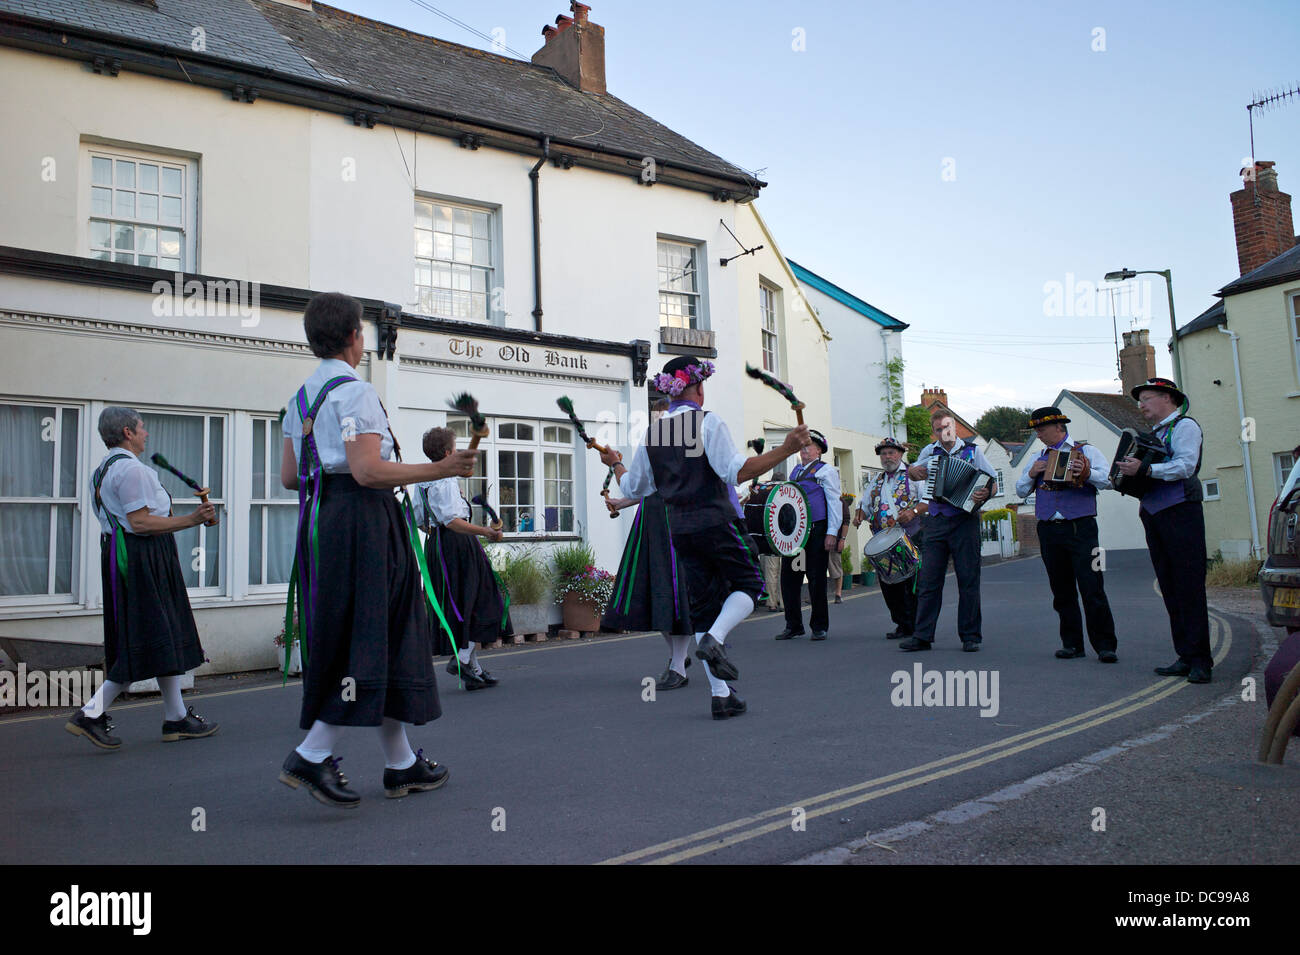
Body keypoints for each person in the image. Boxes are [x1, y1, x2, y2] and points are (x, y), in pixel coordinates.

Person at [277, 292, 477, 808]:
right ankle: (312, 752)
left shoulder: (300, 398)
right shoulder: (356, 393)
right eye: (361, 331)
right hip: (364, 521)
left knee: (373, 634)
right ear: (353, 337)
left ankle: (401, 763)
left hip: (321, 520)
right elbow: (367, 471)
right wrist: (441, 469)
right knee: (370, 633)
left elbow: (288, 478)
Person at [600, 356, 809, 719]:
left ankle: (721, 695)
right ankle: (717, 639)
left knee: (703, 609)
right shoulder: (707, 422)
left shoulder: (655, 434)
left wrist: (615, 463)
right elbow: (738, 472)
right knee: (751, 584)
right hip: (716, 521)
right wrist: (787, 449)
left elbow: (633, 485)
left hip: (679, 529)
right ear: (698, 386)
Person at [65, 408, 221, 750]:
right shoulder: (132, 471)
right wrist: (193, 519)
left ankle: (176, 717)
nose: (146, 434)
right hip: (141, 555)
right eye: (142, 428)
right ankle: (91, 713)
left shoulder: (103, 470)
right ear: (127, 432)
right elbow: (141, 523)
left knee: (161, 634)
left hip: (123, 554)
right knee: (144, 635)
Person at [1116, 378, 1212, 683]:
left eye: (1147, 398)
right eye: (1140, 400)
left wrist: (1145, 470)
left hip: (1181, 511)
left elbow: (1185, 466)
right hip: (1154, 514)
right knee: (1169, 586)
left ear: (1168, 399)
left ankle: (1201, 661)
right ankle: (1184, 654)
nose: (1142, 405)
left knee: (1189, 586)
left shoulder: (1185, 426)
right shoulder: (1153, 435)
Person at [601, 398, 695, 691]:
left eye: (662, 417)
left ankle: (679, 665)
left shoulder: (682, 445)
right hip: (652, 523)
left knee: (674, 593)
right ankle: (678, 659)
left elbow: (639, 483)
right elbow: (645, 488)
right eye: (655, 418)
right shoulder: (664, 443)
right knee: (654, 593)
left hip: (673, 523)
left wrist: (616, 463)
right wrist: (622, 502)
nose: (658, 423)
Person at [1015, 406, 1118, 662]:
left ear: (1059, 427)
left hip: (1082, 529)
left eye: (1042, 429)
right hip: (1049, 529)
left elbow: (1108, 480)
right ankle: (1072, 644)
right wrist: (1032, 473)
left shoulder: (1087, 451)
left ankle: (1105, 645)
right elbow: (1020, 491)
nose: (1038, 434)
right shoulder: (1037, 457)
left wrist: (1085, 472)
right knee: (1061, 590)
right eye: (1036, 430)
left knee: (1093, 587)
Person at [412, 427, 510, 692]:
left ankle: (473, 669)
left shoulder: (422, 480)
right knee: (481, 599)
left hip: (436, 547)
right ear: (447, 453)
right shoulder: (444, 480)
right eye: (455, 448)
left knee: (460, 604)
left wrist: (439, 534)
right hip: (457, 546)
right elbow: (453, 522)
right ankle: (463, 658)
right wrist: (486, 531)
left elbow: (420, 521)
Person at [899, 410, 995, 652]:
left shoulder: (973, 452)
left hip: (965, 521)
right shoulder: (929, 451)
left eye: (947, 427)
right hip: (936, 521)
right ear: (935, 432)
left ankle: (971, 636)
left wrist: (987, 492)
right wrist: (911, 472)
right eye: (939, 429)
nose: (943, 433)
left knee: (968, 579)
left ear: (955, 428)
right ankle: (922, 636)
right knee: (928, 580)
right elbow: (912, 472)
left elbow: (991, 481)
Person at [855, 436, 928, 639]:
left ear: (900, 454)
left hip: (911, 536)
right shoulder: (876, 481)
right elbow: (865, 505)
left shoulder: (913, 475)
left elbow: (928, 501)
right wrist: (860, 514)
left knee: (912, 584)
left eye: (891, 452)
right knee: (889, 585)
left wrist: (912, 512)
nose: (887, 457)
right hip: (885, 541)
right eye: (884, 453)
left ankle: (916, 625)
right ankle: (902, 624)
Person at [775, 429, 842, 641]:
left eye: (808, 446)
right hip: (797, 533)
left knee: (816, 577)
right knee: (790, 576)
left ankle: (819, 625)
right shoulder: (794, 471)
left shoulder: (826, 471)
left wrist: (832, 532)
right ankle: (793, 624)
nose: (803, 449)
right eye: (802, 446)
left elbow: (834, 503)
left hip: (817, 529)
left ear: (819, 450)